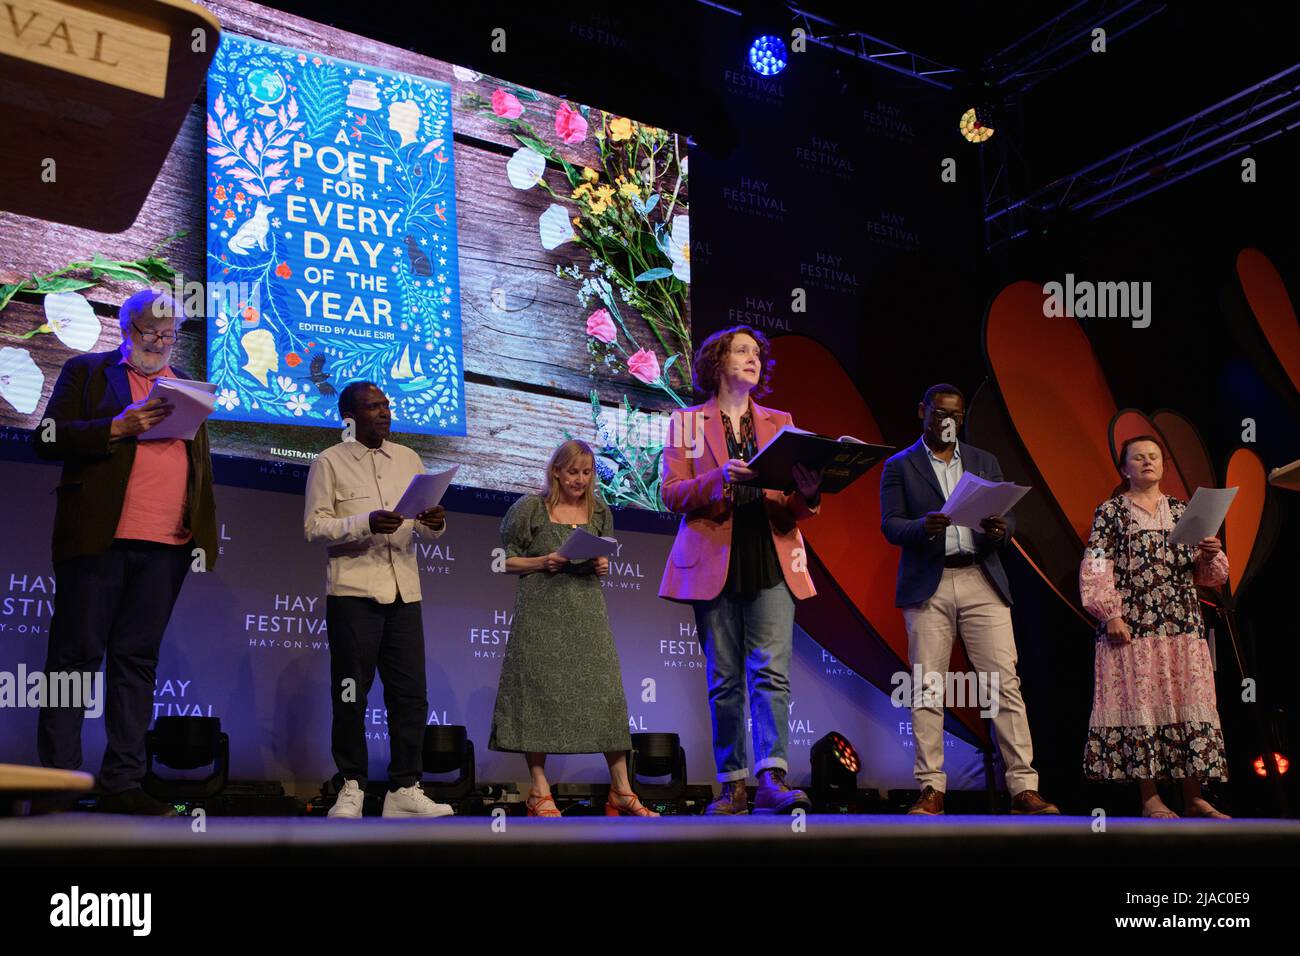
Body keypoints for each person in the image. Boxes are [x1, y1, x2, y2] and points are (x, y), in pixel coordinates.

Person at [34, 289, 217, 815]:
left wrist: (198, 531)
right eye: (150, 333)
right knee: (74, 660)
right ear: (126, 329)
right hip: (99, 539)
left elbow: (199, 467)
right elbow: (46, 437)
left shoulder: (184, 386)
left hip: (167, 545)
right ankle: (59, 783)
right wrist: (119, 426)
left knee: (136, 662)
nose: (160, 343)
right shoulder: (87, 372)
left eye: (169, 334)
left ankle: (123, 781)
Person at [658, 325, 822, 815]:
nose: (753, 358)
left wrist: (810, 495)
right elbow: (671, 493)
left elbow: (793, 502)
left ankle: (771, 778)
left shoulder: (781, 422)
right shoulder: (688, 422)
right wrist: (716, 479)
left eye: (756, 353)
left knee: (772, 673)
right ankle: (733, 786)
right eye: (741, 351)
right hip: (713, 560)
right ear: (717, 362)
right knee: (724, 677)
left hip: (771, 555)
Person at [880, 384, 1059, 815]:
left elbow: (1008, 516)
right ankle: (931, 788)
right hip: (930, 583)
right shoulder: (900, 466)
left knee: (1003, 684)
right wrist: (923, 526)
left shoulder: (983, 460)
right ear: (922, 411)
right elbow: (890, 526)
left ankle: (1022, 787)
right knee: (927, 686)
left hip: (981, 576)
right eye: (940, 413)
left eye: (956, 416)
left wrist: (1002, 529)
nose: (948, 421)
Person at [304, 381, 453, 819]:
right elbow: (314, 527)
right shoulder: (328, 462)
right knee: (351, 693)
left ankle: (405, 788)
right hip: (354, 594)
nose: (384, 413)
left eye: (386, 405)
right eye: (372, 407)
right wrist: (365, 522)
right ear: (349, 417)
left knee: (410, 696)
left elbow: (425, 529)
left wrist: (435, 522)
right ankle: (351, 785)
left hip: (405, 592)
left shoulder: (408, 459)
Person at [489, 439, 657, 817]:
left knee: (605, 695)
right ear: (556, 472)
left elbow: (604, 552)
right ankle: (539, 791)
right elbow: (503, 561)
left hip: (586, 612)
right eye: (573, 472)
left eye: (587, 472)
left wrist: (602, 565)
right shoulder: (530, 508)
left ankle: (621, 790)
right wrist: (542, 561)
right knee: (538, 697)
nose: (580, 480)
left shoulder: (599, 510)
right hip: (541, 613)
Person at [1079, 435, 1231, 818]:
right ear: (1124, 468)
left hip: (1181, 622)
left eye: (1154, 457)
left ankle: (1193, 797)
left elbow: (1209, 577)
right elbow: (1097, 564)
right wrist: (1110, 613)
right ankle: (1150, 798)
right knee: (1141, 705)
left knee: (1185, 702)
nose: (1148, 463)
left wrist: (1209, 555)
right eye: (1139, 458)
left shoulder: (1183, 511)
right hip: (1133, 625)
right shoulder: (1111, 512)